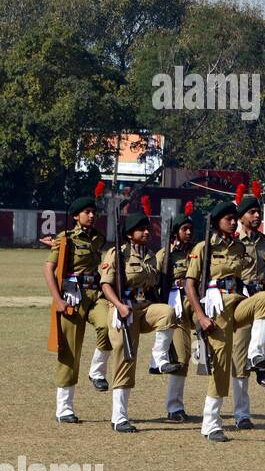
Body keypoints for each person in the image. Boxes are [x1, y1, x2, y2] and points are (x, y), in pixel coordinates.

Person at [185, 198, 265, 441]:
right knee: (222, 365)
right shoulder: (204, 248)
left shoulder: (238, 247)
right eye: (229, 218)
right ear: (217, 222)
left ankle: (256, 353)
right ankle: (211, 423)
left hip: (236, 302)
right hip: (216, 309)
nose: (234, 221)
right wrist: (201, 316)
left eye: (235, 218)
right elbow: (190, 284)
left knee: (264, 298)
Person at [99, 198, 182, 433]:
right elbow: (106, 285)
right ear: (129, 234)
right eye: (141, 229)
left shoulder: (151, 255)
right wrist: (118, 306)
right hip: (122, 309)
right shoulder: (117, 254)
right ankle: (119, 417)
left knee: (167, 312)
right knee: (125, 360)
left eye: (147, 228)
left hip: (145, 307)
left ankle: (158, 359)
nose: (146, 232)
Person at [45, 184, 111, 423]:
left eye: (94, 211)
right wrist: (58, 299)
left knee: (109, 326)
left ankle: (96, 371)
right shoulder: (65, 238)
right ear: (76, 216)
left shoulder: (99, 238)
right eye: (87, 212)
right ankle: (64, 409)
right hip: (73, 297)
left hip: (96, 295)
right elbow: (49, 269)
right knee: (69, 353)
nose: (92, 215)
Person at [230, 183, 265, 430]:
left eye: (258, 212)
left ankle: (259, 360)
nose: (256, 216)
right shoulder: (235, 243)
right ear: (242, 217)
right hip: (242, 300)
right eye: (251, 212)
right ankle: (242, 414)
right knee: (238, 359)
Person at [157, 203, 199, 422]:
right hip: (178, 308)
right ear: (175, 233)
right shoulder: (165, 254)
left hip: (198, 304)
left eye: (190, 229)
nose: (189, 232)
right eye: (184, 229)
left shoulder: (198, 252)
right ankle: (175, 407)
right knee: (182, 357)